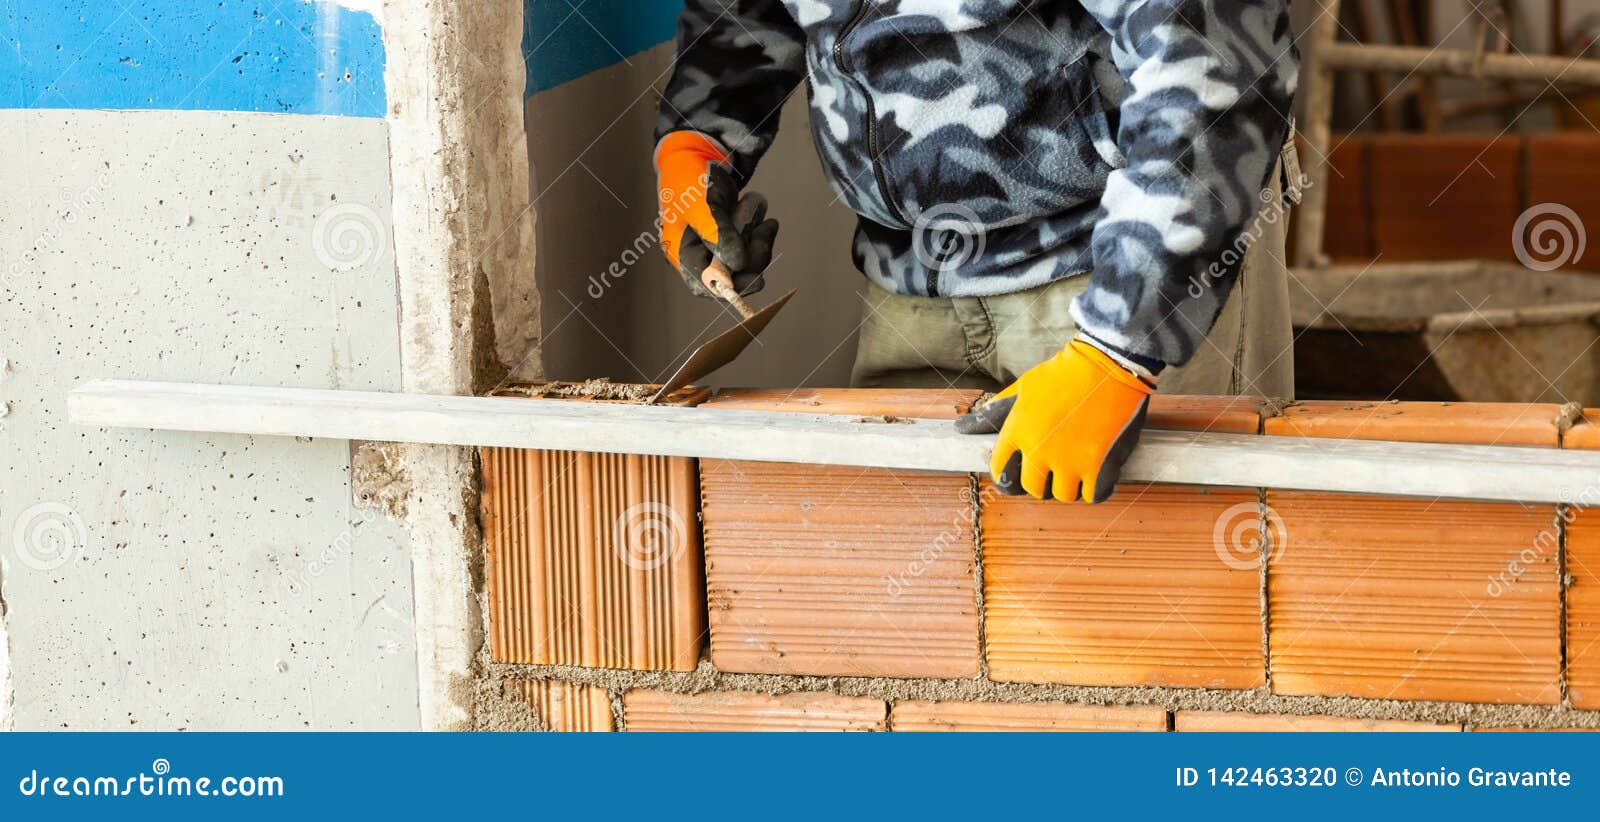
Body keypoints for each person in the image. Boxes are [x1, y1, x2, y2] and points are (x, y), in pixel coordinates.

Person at [653, 1, 1301, 503]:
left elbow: (1214, 52)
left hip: (1110, 263)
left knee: (1166, 608)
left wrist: (1124, 344)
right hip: (906, 280)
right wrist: (697, 138)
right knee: (930, 618)